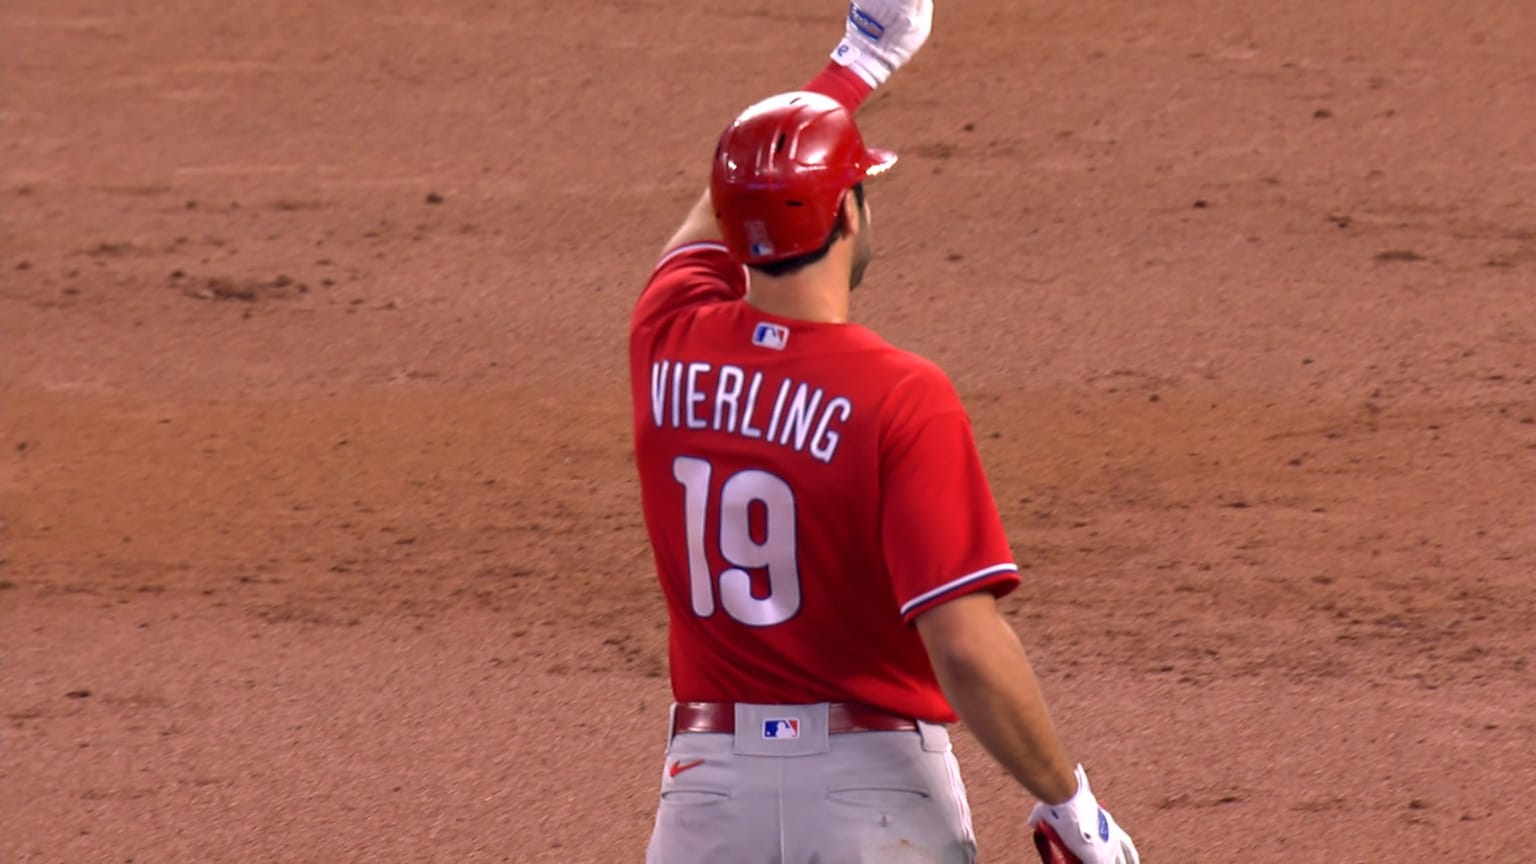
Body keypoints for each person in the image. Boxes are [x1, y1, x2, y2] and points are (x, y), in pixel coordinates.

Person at [627, 2, 1140, 862]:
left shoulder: (664, 337)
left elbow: (722, 205)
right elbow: (966, 646)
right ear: (849, 215)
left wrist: (859, 61)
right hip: (872, 802)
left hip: (705, 805)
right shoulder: (899, 394)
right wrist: (1069, 803)